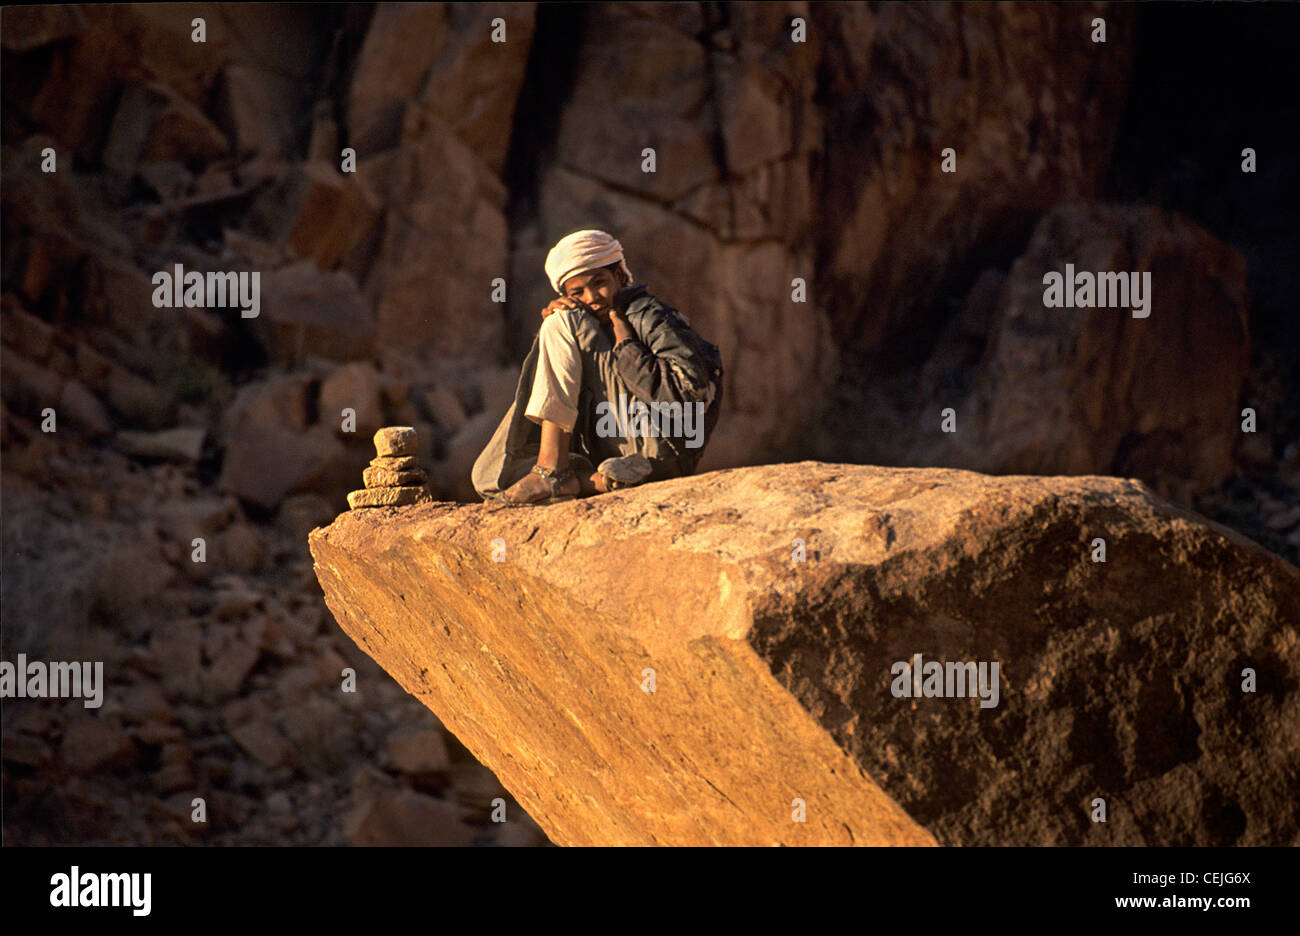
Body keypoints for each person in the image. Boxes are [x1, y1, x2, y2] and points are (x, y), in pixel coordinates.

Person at [472, 229, 723, 505]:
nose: (592, 297)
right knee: (488, 474)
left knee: (560, 323)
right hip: (623, 453)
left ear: (620, 276)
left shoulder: (650, 315)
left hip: (662, 449)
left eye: (599, 282)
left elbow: (689, 397)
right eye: (577, 292)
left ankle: (552, 471)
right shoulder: (592, 326)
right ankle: (591, 480)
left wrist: (627, 346)